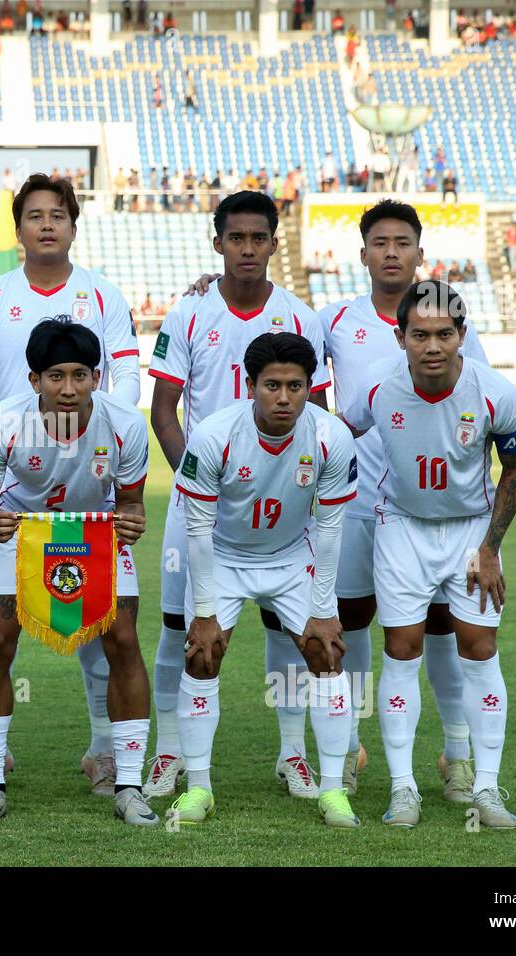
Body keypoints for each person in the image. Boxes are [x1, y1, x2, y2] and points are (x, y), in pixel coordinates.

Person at [146, 191, 332, 799]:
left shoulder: (302, 316)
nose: (247, 248)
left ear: (275, 243)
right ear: (217, 241)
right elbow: (164, 411)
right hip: (200, 511)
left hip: (280, 512)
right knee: (182, 630)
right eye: (236, 238)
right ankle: (169, 753)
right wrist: (199, 485)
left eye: (259, 238)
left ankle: (292, 754)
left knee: (288, 633)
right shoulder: (190, 311)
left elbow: (320, 415)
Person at [0, 174, 141, 794]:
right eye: (33, 215)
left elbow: (126, 376)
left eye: (57, 215)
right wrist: (18, 434)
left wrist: (93, 427)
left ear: (72, 224)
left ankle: (108, 755)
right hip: (18, 474)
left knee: (104, 630)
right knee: (0, 632)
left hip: (88, 477)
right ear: (18, 229)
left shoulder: (103, 295)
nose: (45, 224)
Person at [340, 281, 516, 830]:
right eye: (419, 334)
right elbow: (336, 433)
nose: (432, 346)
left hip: (471, 532)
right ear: (399, 338)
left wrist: (490, 548)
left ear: (462, 336)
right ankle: (403, 789)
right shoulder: (377, 386)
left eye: (444, 334)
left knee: (479, 647)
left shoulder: (495, 392)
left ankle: (487, 789)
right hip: (400, 528)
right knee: (401, 650)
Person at [318, 200, 489, 801]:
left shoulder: (449, 322)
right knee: (356, 627)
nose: (391, 252)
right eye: (380, 242)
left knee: (443, 630)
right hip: (357, 505)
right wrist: (208, 288)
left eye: (403, 243)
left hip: (434, 515)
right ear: (362, 252)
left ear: (421, 252)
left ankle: (457, 754)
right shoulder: (332, 320)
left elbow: (481, 412)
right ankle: (349, 749)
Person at [0, 320, 156, 827]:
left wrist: (132, 522)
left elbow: (132, 504)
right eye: (54, 376)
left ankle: (130, 784)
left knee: (124, 641)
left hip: (95, 531)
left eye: (80, 376)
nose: (68, 389)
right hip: (22, 530)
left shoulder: (126, 425)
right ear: (34, 380)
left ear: (97, 377)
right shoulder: (2, 423)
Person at [172, 331, 358, 828]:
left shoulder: (330, 437)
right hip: (225, 557)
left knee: (327, 652)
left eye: (295, 386)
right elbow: (197, 528)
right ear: (249, 384)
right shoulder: (214, 435)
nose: (284, 398)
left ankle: (334, 792)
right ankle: (198, 789)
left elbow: (332, 527)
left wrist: (323, 608)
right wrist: (206, 611)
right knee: (202, 655)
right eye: (272, 385)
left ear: (310, 387)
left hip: (294, 555)